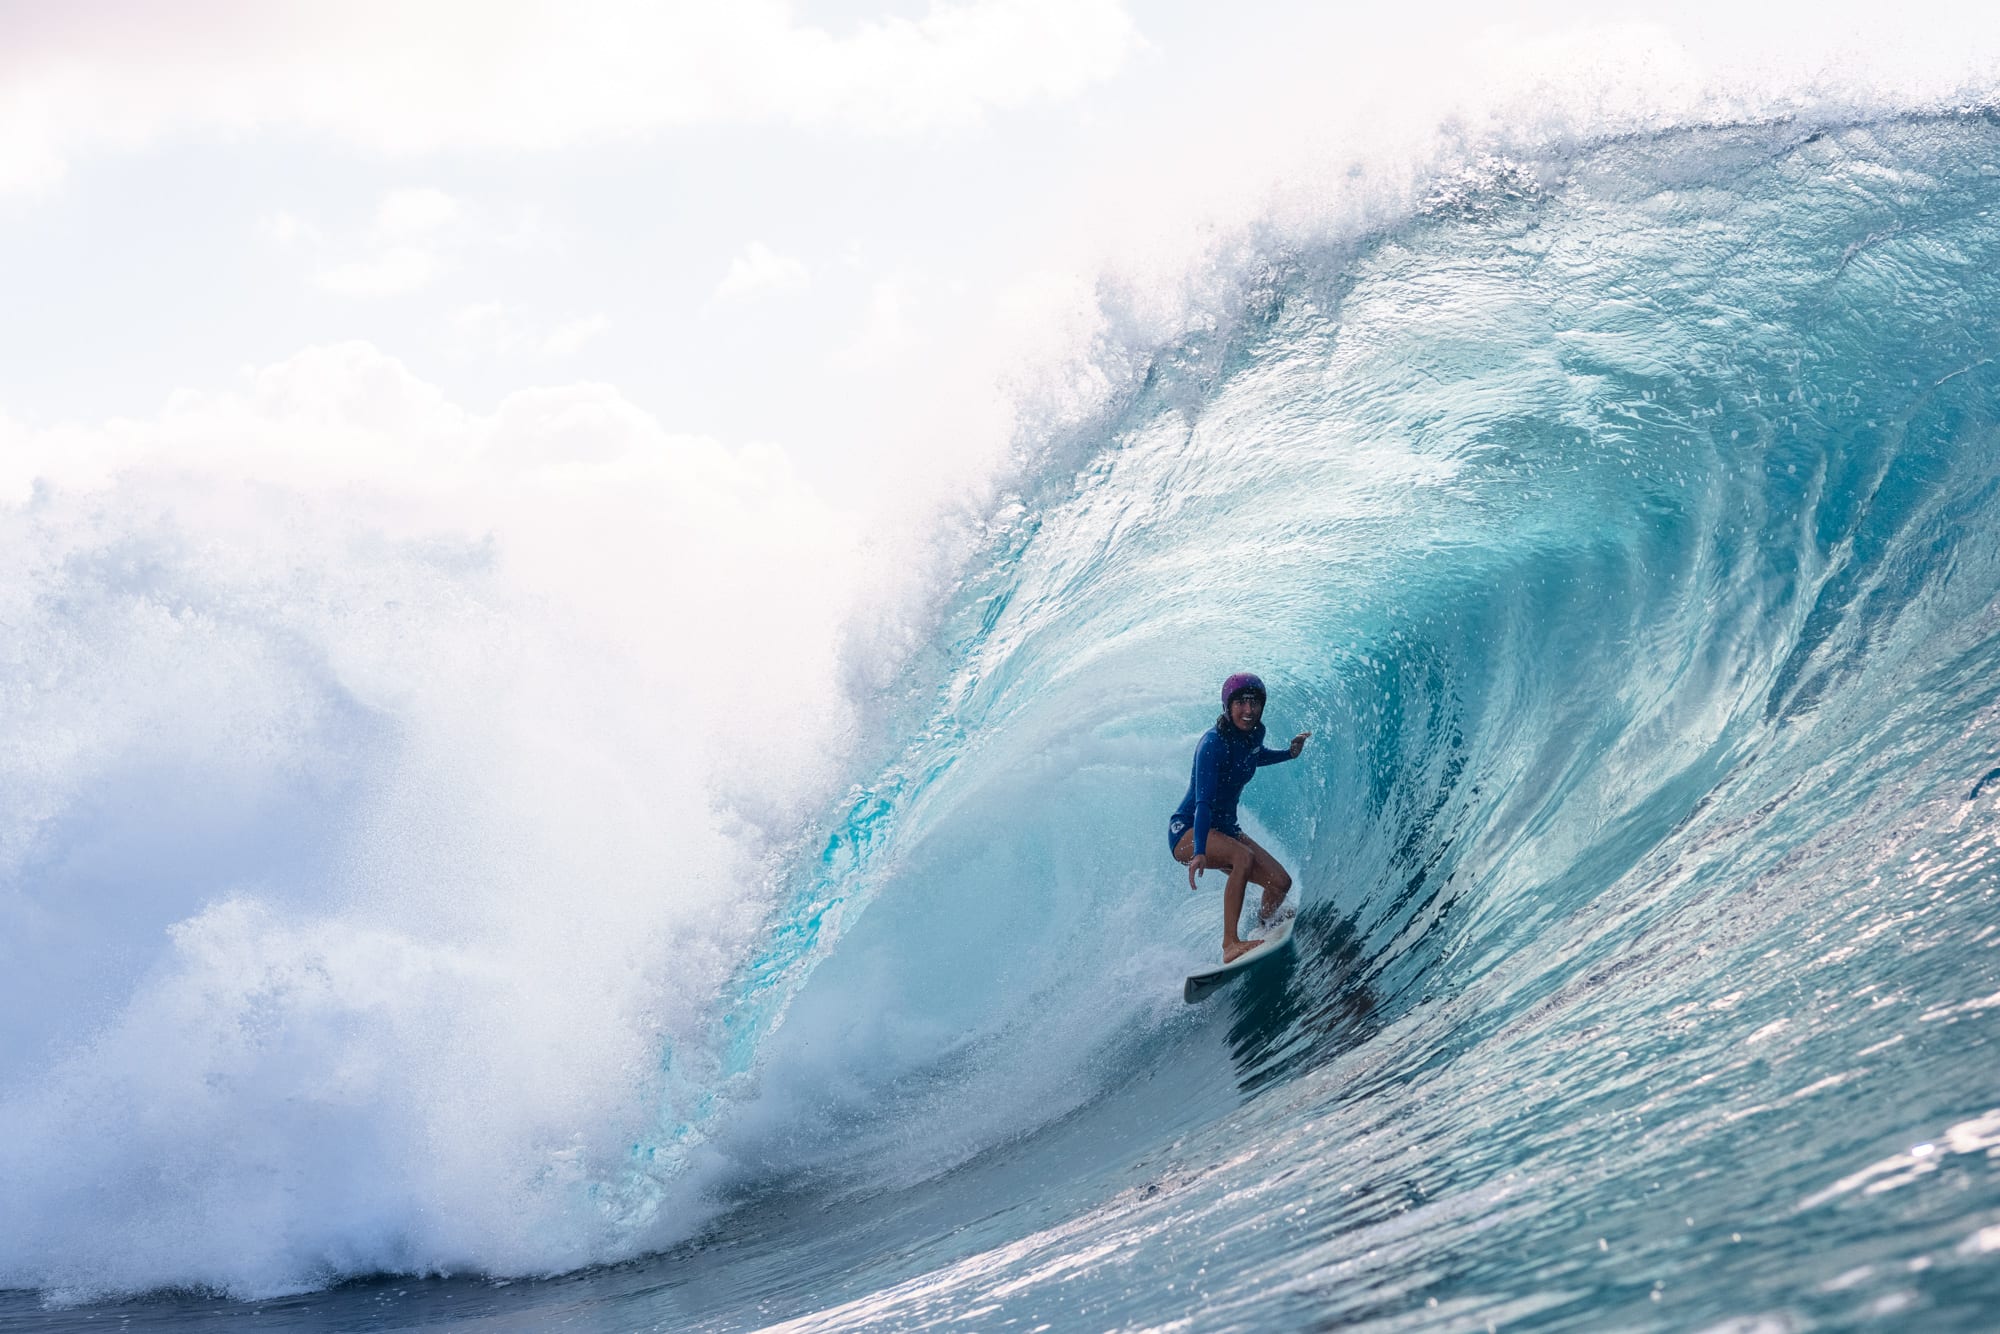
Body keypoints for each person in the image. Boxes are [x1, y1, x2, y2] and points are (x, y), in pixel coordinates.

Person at [1169, 672, 1311, 963]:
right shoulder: (1212, 744)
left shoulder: (1254, 734)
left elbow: (1254, 756)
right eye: (1241, 703)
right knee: (1242, 858)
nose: (1249, 710)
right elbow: (1203, 803)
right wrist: (1198, 851)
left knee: (1279, 883)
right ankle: (1230, 944)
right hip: (1189, 830)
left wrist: (1289, 754)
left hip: (1225, 830)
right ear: (1227, 705)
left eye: (1255, 702)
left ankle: (1266, 921)